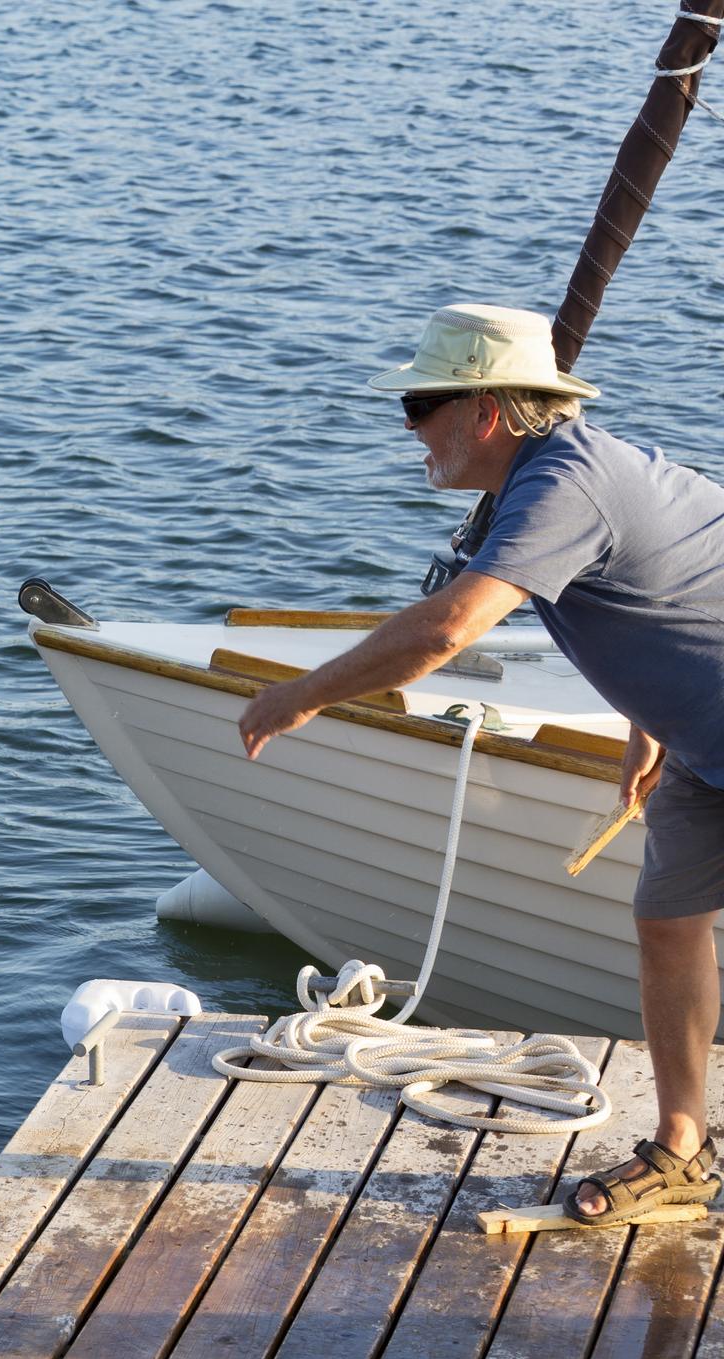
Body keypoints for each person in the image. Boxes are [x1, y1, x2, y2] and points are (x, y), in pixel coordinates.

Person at [238, 302, 724, 1223]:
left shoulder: (565, 485)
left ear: (487, 412)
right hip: (700, 740)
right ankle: (683, 1151)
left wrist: (297, 695)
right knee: (668, 925)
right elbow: (654, 605)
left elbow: (450, 628)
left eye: (421, 406)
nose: (410, 429)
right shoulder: (534, 486)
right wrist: (645, 722)